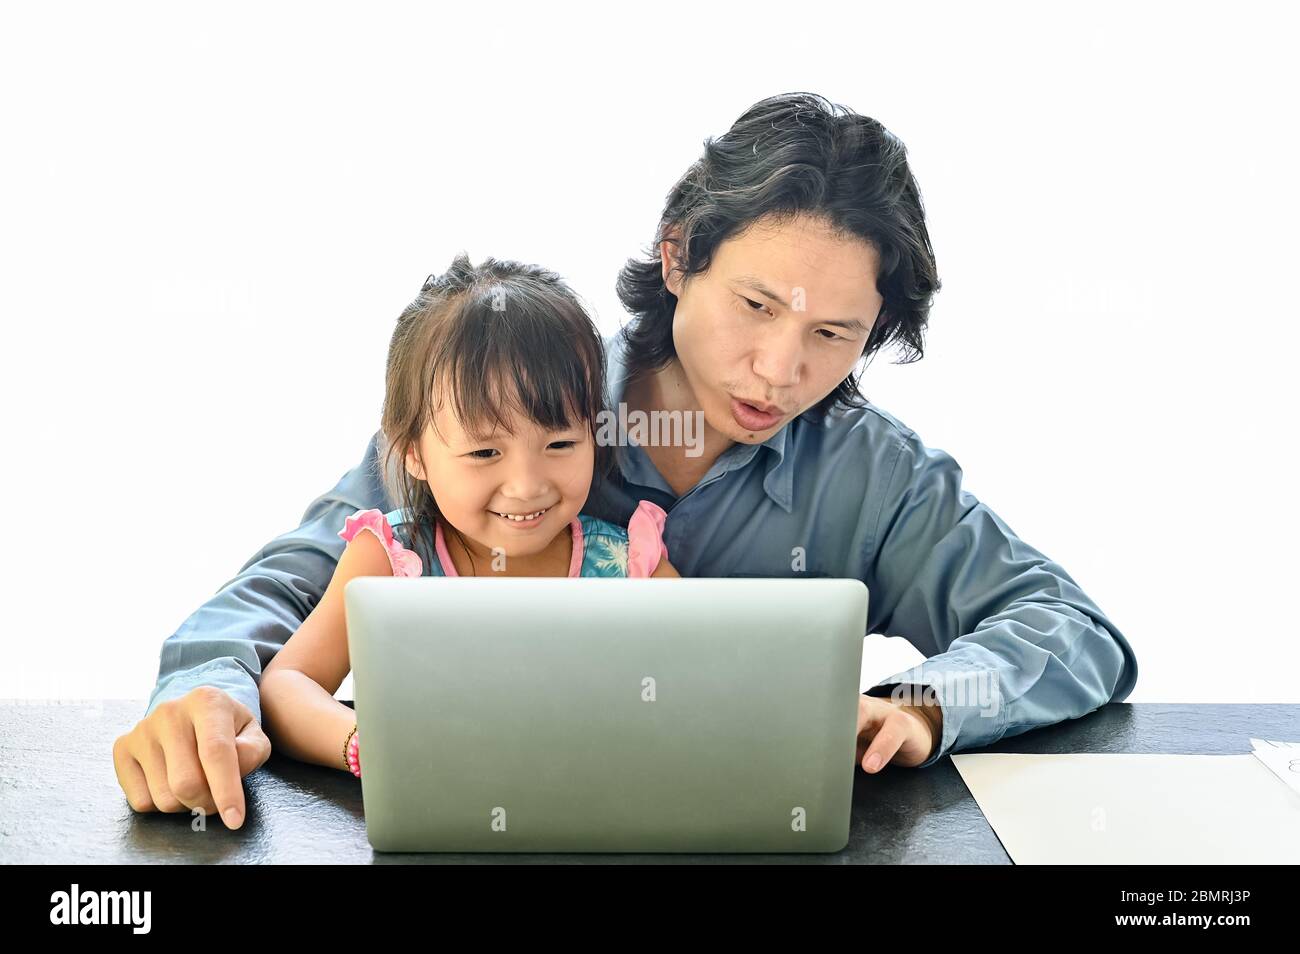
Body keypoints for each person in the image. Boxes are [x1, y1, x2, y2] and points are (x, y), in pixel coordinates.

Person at [114, 92, 1138, 831]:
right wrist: (205, 695)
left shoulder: (877, 476)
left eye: (834, 334)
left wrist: (924, 705)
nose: (780, 369)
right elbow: (288, 590)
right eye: (755, 306)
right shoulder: (511, 401)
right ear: (678, 255)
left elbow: (1072, 630)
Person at [257, 254, 678, 778]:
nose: (527, 485)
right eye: (484, 453)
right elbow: (286, 686)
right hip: (432, 810)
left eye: (561, 443)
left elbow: (705, 691)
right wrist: (367, 746)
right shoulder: (391, 560)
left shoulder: (633, 564)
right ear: (413, 453)